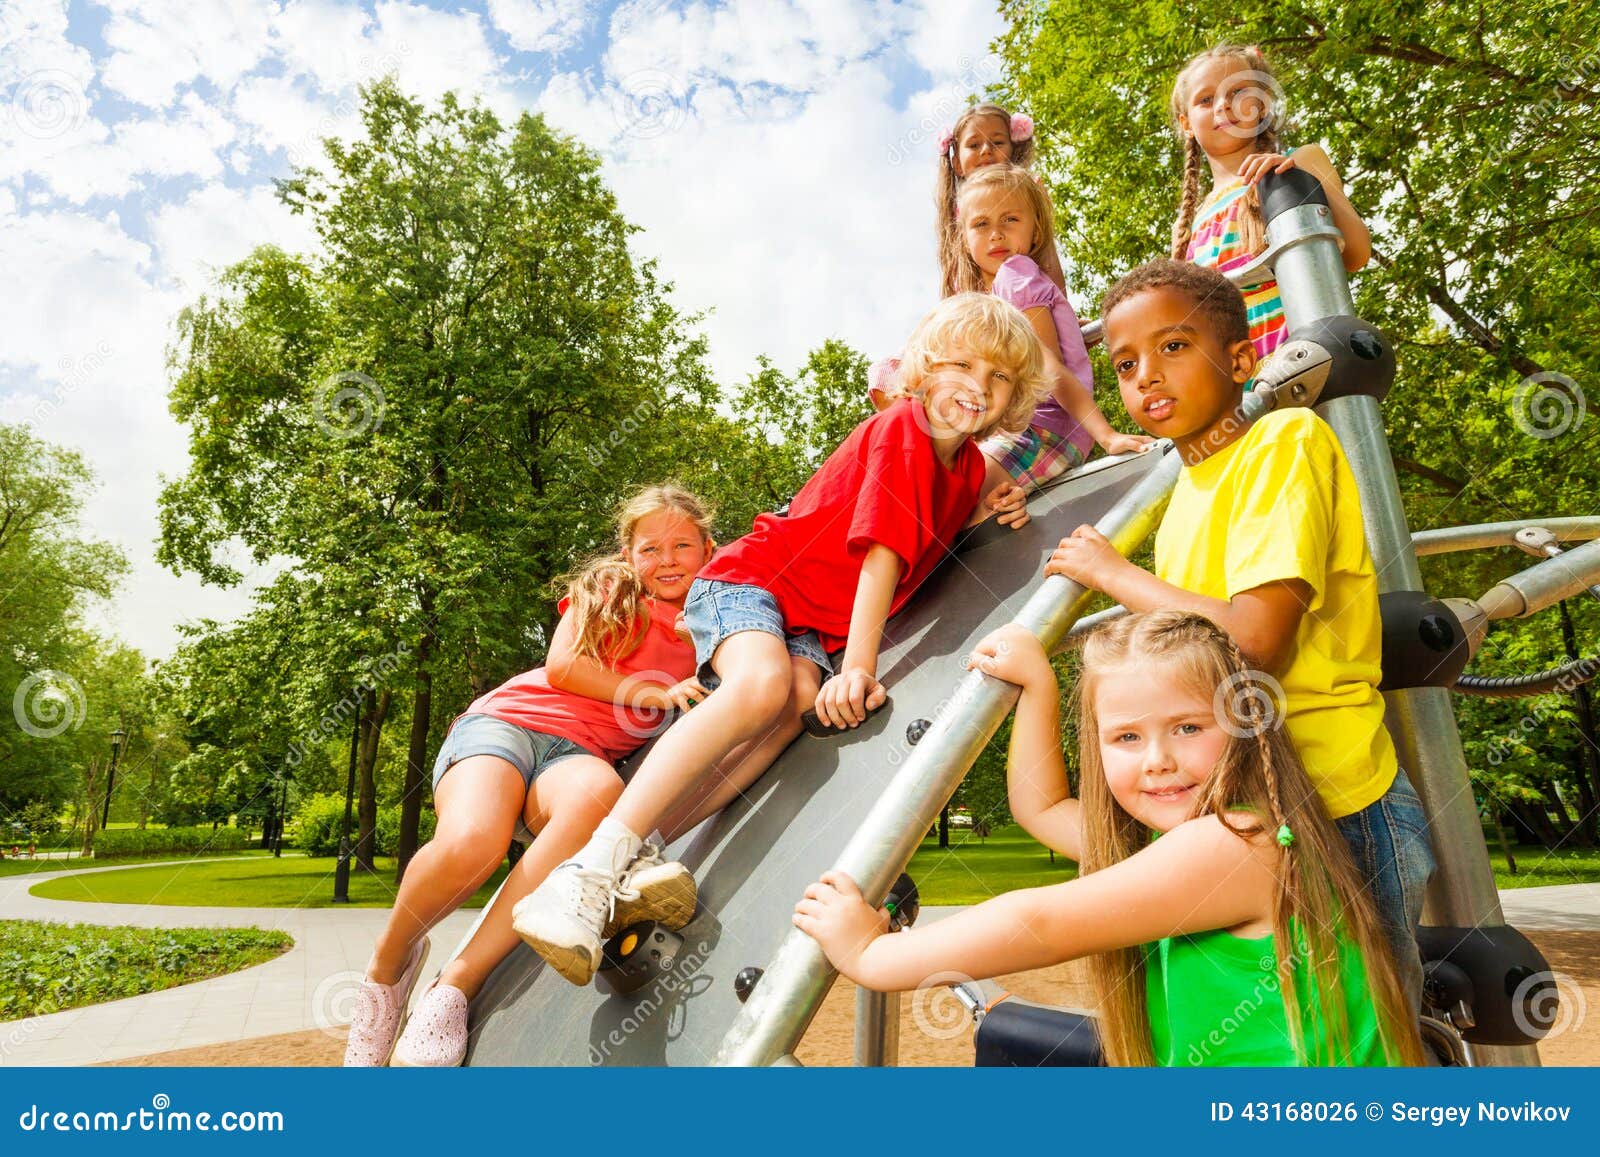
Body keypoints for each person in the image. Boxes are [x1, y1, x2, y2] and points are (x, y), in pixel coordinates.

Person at [511, 292, 1047, 986]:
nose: (978, 386)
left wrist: (1000, 496)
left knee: (792, 702)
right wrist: (857, 668)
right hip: (753, 585)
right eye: (962, 365)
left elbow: (966, 503)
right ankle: (591, 862)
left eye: (999, 378)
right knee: (763, 686)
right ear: (922, 369)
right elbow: (882, 550)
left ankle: (643, 850)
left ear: (1012, 399)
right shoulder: (901, 429)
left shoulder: (970, 470)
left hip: (808, 632)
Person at [1044, 259, 1435, 1006]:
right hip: (1246, 805)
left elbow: (1255, 642)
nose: (1147, 376)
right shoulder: (1185, 495)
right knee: (1278, 1031)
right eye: (1125, 364)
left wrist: (1114, 575)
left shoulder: (1282, 440)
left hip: (1335, 798)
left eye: (1173, 347)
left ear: (1240, 357)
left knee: (1366, 1031)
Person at [796, 612, 1425, 1066]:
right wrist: (1038, 687)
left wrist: (872, 960)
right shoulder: (1213, 845)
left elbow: (1039, 921)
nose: (1156, 760)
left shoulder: (1237, 843)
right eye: (1126, 736)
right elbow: (1041, 809)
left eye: (1186, 726)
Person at [343, 485, 717, 1067]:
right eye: (650, 548)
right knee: (474, 841)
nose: (666, 559)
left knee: (601, 795)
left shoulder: (715, 620)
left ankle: (455, 985)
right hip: (508, 723)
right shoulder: (609, 590)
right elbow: (563, 667)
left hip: (582, 755)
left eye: (682, 545)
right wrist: (652, 691)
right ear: (628, 553)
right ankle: (385, 976)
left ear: (709, 548)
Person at [946, 164, 1152, 497]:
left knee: (953, 496)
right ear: (965, 236)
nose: (996, 233)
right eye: (981, 224)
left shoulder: (1016, 275)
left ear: (1035, 230)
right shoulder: (1000, 292)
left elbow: (1048, 366)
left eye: (1010, 220)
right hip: (1037, 430)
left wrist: (1107, 435)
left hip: (1044, 430)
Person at [1169, 44, 1372, 361]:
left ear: (1261, 106)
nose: (1222, 105)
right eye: (1205, 100)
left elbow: (1357, 253)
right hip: (1235, 382)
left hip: (1305, 361)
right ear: (1186, 124)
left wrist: (1295, 179)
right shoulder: (1189, 224)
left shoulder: (1300, 161)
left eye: (1237, 92)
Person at [935, 102, 1065, 295]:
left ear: (1014, 150)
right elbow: (955, 273)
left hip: (1031, 302)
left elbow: (1048, 257)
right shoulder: (958, 210)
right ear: (957, 164)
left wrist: (1062, 311)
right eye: (973, 145)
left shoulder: (1028, 192)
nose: (986, 150)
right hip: (980, 314)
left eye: (997, 142)